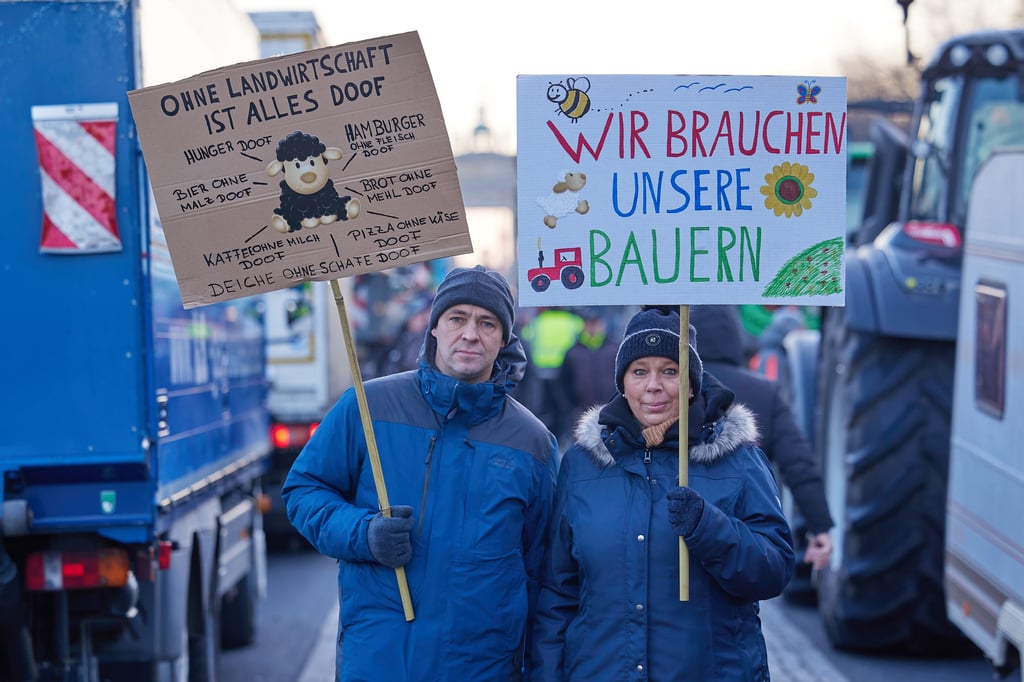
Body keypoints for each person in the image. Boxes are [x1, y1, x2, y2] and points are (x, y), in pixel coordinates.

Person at [283, 265, 558, 681]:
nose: (470, 333)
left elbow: (546, 574)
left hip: (482, 667)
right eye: (457, 318)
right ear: (434, 327)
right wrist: (364, 533)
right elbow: (304, 490)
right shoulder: (368, 406)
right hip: (382, 661)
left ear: (504, 338)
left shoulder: (532, 443)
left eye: (487, 323)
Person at [531, 307, 795, 681]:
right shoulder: (582, 465)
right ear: (623, 383)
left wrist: (710, 528)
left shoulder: (738, 460)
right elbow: (558, 595)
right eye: (640, 371)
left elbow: (774, 570)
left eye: (670, 371)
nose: (653, 385)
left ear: (691, 383)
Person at [690, 305, 833, 585]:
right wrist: (820, 526)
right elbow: (798, 463)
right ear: (735, 338)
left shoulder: (663, 392)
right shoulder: (764, 392)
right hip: (742, 537)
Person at [557, 306, 619, 445]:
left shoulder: (614, 349)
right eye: (589, 323)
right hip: (581, 414)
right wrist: (570, 408)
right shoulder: (572, 352)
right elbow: (563, 383)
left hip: (611, 412)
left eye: (596, 323)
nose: (592, 327)